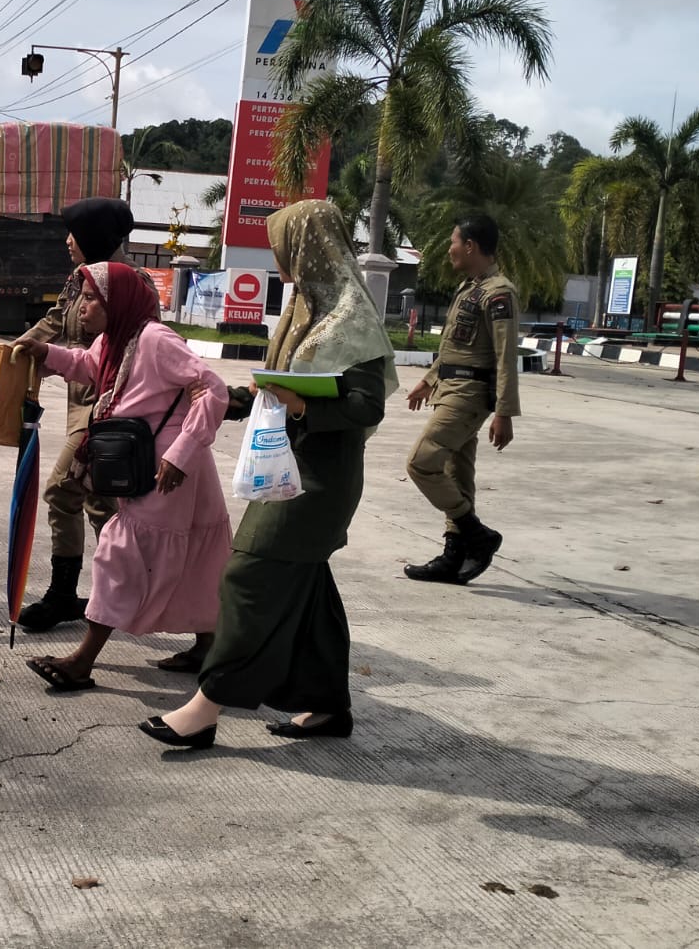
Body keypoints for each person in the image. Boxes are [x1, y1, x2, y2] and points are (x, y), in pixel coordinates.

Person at [141, 200, 398, 750]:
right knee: (306, 591)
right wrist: (229, 398)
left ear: (307, 247)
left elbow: (365, 407)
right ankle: (329, 706)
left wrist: (299, 406)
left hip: (319, 483)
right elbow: (278, 389)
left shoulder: (351, 322)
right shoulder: (302, 312)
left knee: (248, 578)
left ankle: (206, 708)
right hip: (285, 470)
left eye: (282, 242)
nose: (276, 252)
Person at [14, 262, 231, 691]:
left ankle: (82, 661)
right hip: (158, 464)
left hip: (166, 468)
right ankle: (209, 644)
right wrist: (45, 353)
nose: (82, 307)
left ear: (119, 302)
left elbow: (213, 388)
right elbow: (87, 366)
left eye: (92, 298)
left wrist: (181, 453)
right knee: (198, 557)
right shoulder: (118, 339)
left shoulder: (154, 338)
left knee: (121, 555)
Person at [5, 199, 165, 646]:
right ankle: (104, 593)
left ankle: (83, 593)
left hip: (113, 410)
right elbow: (56, 322)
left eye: (74, 232)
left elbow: (143, 346)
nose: (67, 241)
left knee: (63, 489)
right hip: (83, 407)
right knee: (99, 505)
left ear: (94, 235)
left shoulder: (132, 283)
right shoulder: (81, 280)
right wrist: (9, 355)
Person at [402, 213, 520, 585]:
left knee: (421, 463)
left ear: (470, 245)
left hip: (469, 395)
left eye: (454, 242)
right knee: (457, 473)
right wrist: (428, 380)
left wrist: (504, 412)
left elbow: (504, 357)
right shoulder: (469, 288)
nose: (450, 249)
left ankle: (477, 536)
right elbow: (455, 346)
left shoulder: (498, 292)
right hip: (449, 389)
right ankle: (454, 556)